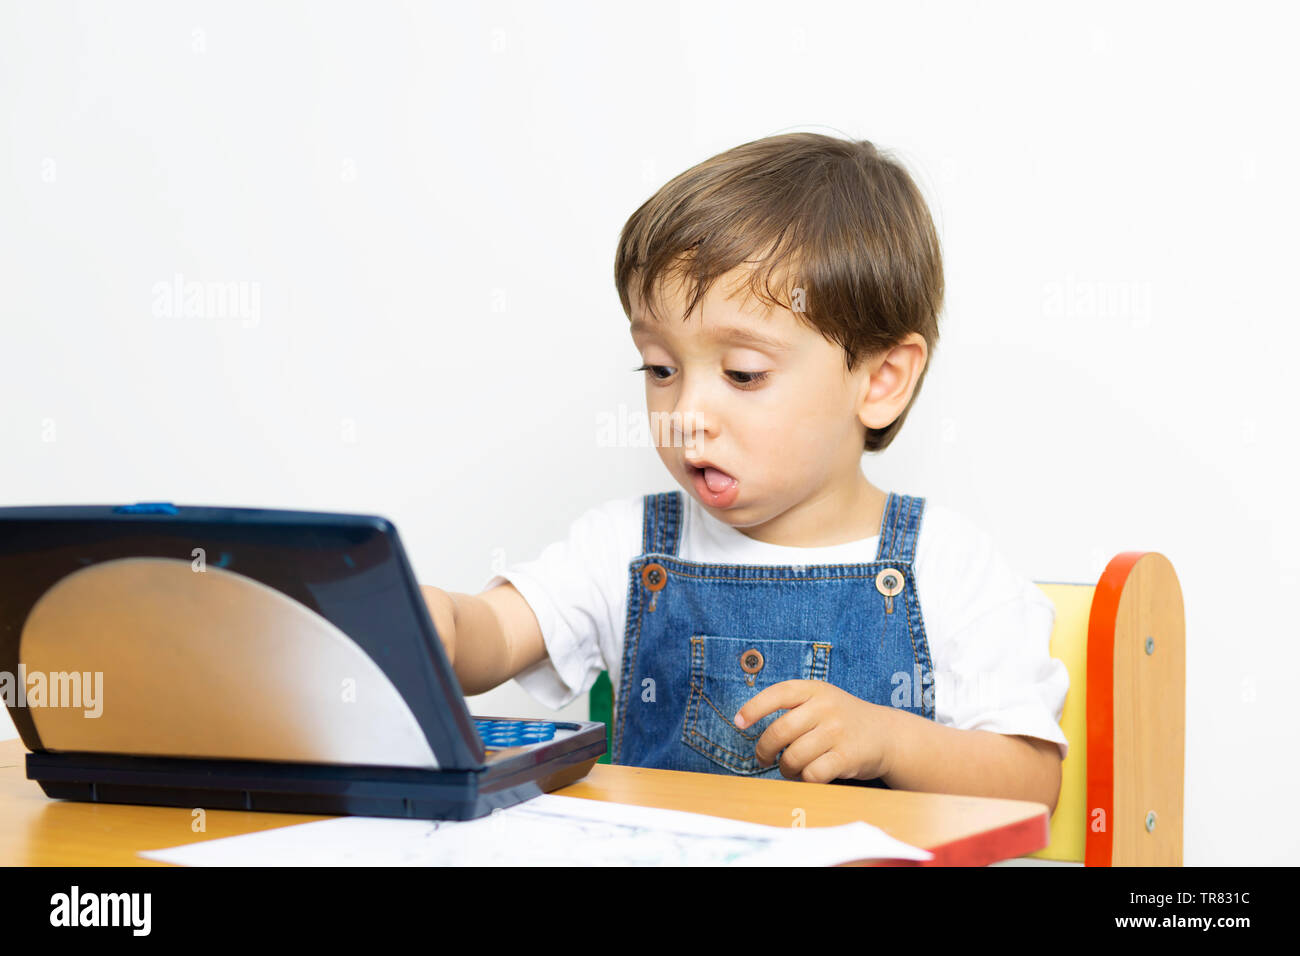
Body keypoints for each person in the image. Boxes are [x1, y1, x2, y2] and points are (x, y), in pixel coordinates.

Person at [423, 132, 1067, 811]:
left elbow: (1031, 785)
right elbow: (493, 637)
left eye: (743, 373)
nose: (688, 413)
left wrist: (892, 740)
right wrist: (441, 626)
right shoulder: (623, 548)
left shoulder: (949, 565)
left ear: (880, 381)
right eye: (661, 369)